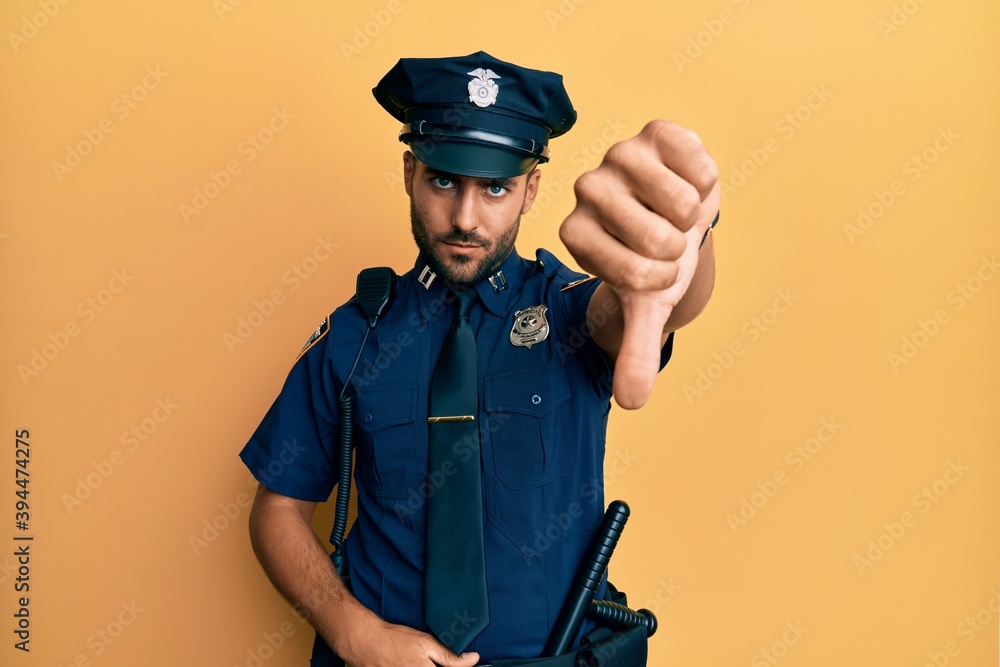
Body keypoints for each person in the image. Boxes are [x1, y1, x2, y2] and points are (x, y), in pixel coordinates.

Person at [240, 51, 720, 667]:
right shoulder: (354, 334)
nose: (465, 219)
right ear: (410, 172)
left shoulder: (571, 312)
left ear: (531, 189)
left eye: (496, 187)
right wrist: (355, 634)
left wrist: (688, 236)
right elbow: (277, 508)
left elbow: (654, 304)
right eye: (444, 181)